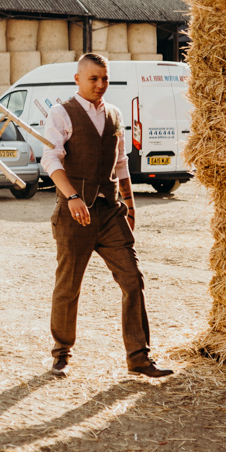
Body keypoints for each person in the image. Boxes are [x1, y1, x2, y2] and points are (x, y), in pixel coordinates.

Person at [40, 52, 173, 379]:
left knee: (132, 279)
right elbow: (50, 160)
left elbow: (121, 164)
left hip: (110, 212)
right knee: (69, 287)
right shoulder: (61, 114)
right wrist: (71, 196)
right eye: (93, 79)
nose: (100, 85)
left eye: (105, 78)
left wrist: (129, 203)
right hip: (75, 214)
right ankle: (61, 354)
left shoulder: (114, 114)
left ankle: (139, 357)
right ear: (77, 80)